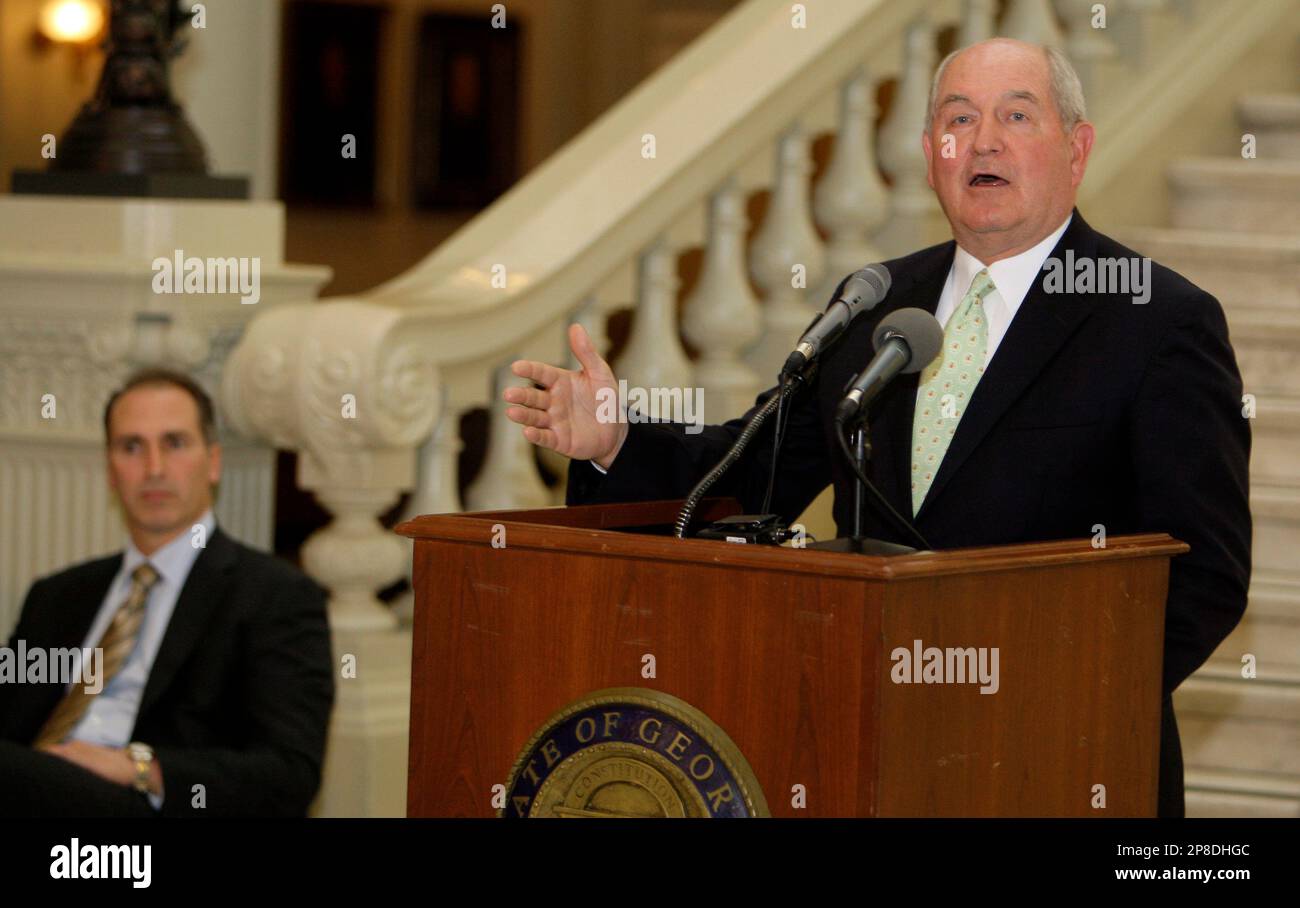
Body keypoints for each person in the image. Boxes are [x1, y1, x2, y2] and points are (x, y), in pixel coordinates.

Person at [503, 39, 1252, 817]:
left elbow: (1206, 573)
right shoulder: (880, 304)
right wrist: (615, 441)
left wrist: (1045, 705)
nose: (984, 140)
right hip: (871, 755)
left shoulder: (1158, 320)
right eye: (959, 120)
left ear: (1077, 147)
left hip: (1061, 767)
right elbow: (749, 469)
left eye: (1017, 116)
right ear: (932, 155)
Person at [0, 368, 334, 817]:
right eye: (131, 447)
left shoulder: (277, 597)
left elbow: (289, 773)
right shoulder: (57, 596)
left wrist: (141, 768)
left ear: (213, 462)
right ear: (111, 470)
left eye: (174, 443)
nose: (154, 468)